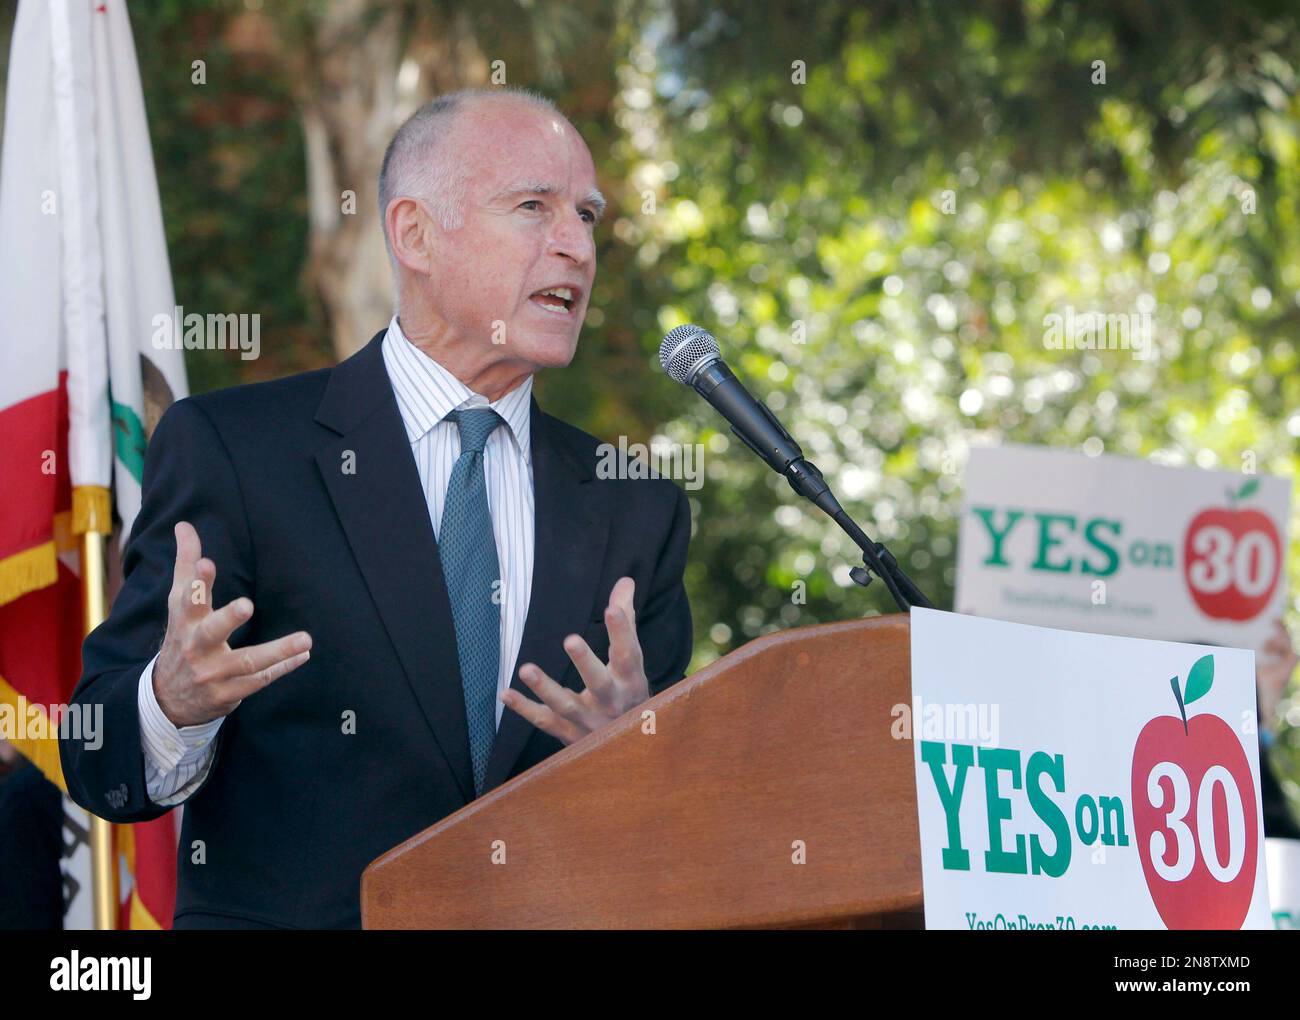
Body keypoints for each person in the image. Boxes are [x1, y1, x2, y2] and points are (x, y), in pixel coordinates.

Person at [59, 88, 694, 929]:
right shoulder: (237, 449)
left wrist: (633, 757)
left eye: (586, 213)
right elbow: (95, 753)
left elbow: (680, 828)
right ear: (414, 233)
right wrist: (170, 702)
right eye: (534, 208)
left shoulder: (634, 505)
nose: (577, 245)